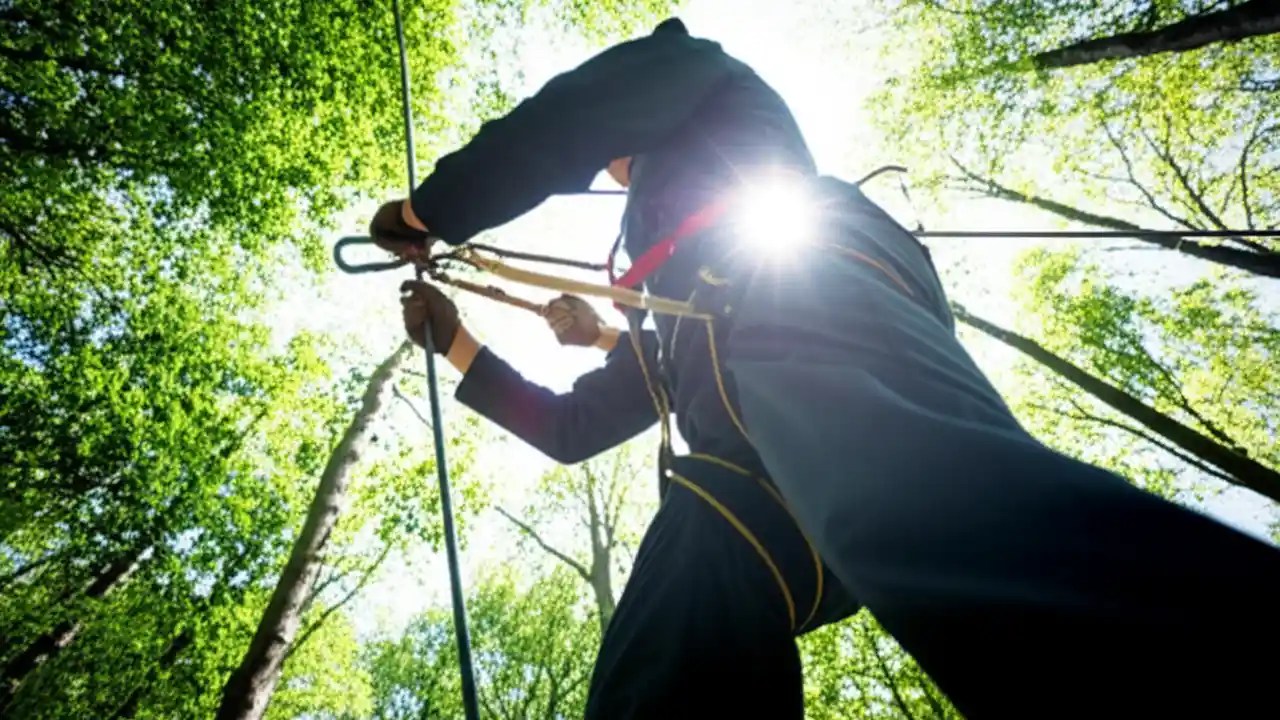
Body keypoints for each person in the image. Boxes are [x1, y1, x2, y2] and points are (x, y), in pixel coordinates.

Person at [376, 17, 1280, 718]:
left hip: (804, 295)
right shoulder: (658, 308)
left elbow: (579, 113)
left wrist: (431, 211)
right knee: (673, 627)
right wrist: (459, 342)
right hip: (749, 473)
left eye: (619, 167)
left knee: (950, 517)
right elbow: (576, 430)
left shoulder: (697, 71)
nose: (614, 178)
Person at [399, 283, 858, 717]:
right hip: (802, 546)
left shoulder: (778, 287)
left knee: (644, 681)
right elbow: (570, 427)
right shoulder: (682, 344)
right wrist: (453, 340)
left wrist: (421, 216)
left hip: (747, 524)